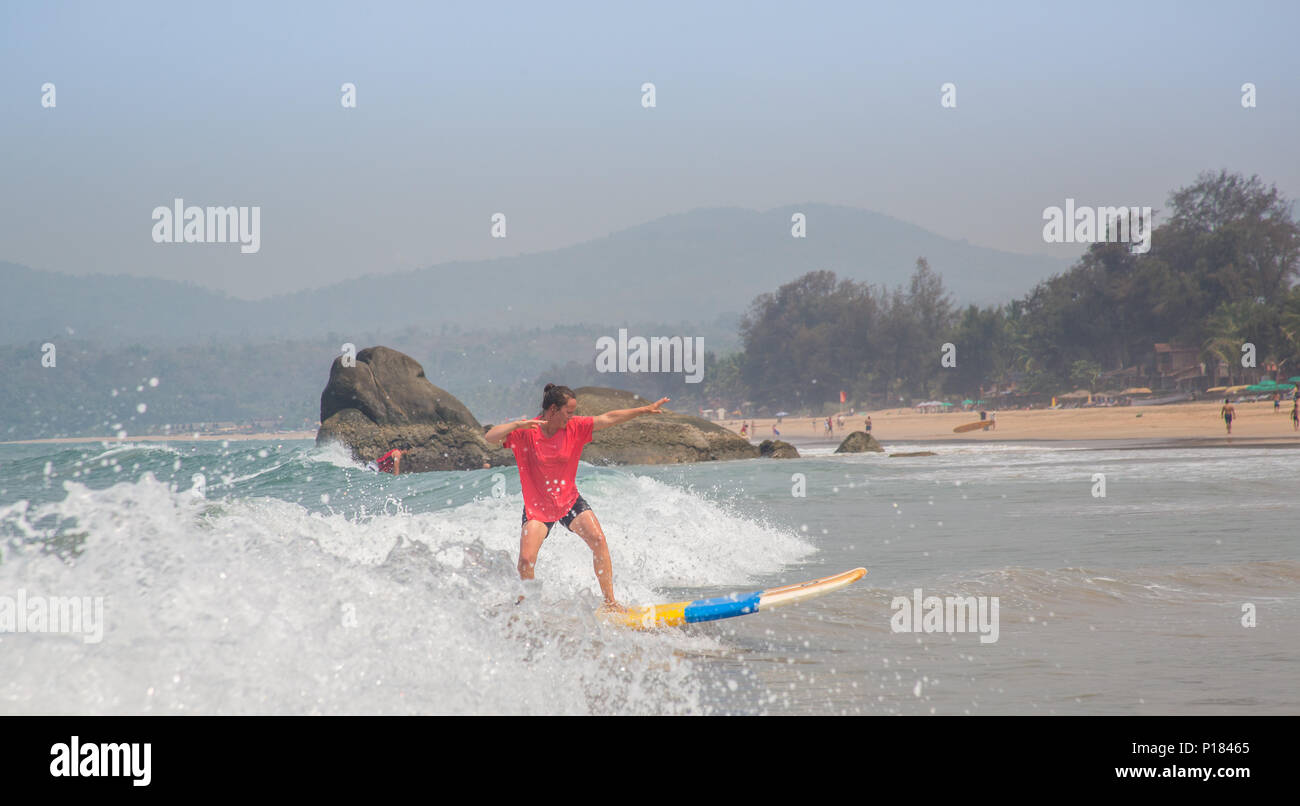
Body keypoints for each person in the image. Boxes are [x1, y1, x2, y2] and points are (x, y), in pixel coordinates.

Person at [484, 384, 668, 612]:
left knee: (598, 540)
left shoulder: (575, 428)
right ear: (553, 410)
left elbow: (608, 418)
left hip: (569, 501)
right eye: (569, 412)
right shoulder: (526, 432)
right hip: (538, 509)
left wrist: (643, 410)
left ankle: (610, 602)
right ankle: (526, 607)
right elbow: (490, 437)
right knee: (525, 560)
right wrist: (519, 424)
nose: (572, 417)